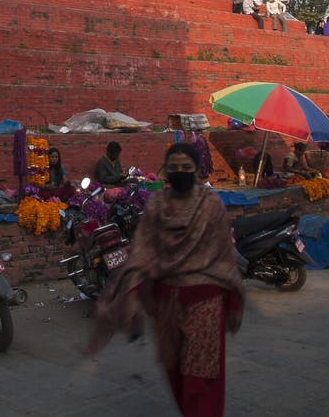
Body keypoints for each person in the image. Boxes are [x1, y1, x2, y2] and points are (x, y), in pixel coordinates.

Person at [88, 143, 243, 417]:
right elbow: (143, 251)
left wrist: (233, 301)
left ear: (196, 169)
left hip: (206, 300)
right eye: (174, 168)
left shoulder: (211, 205)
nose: (180, 172)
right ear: (166, 171)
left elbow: (223, 255)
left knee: (201, 373)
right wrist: (133, 296)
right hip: (167, 301)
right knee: (175, 370)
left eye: (186, 167)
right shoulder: (157, 205)